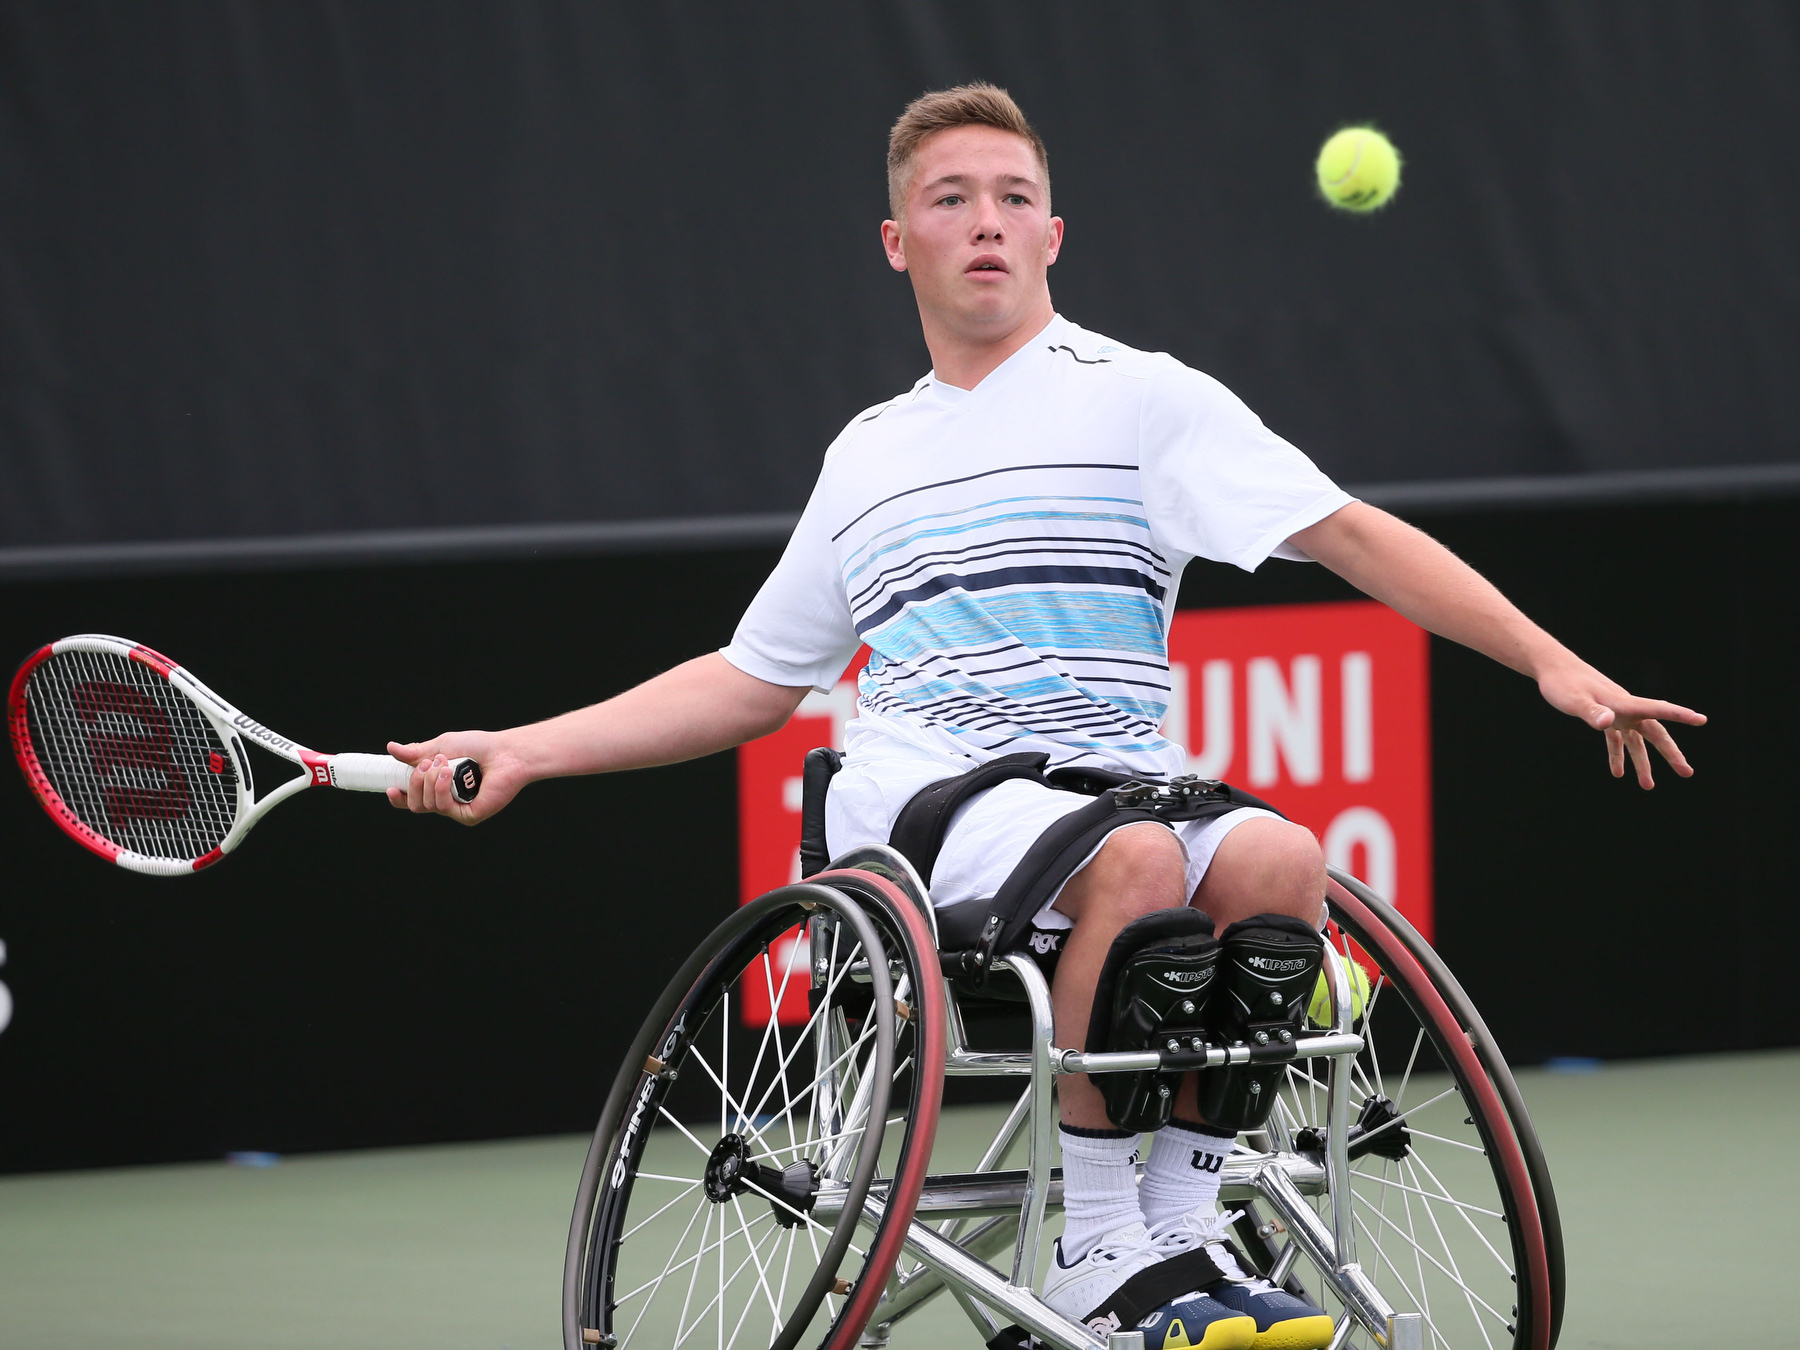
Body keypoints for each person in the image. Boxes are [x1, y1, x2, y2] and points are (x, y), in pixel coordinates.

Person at [389, 84, 1704, 1350]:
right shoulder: (866, 454)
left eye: (1015, 197)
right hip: (916, 793)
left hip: (1114, 780)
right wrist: (521, 748)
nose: (987, 221)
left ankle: (1180, 1221)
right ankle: (1095, 1248)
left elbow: (1348, 532)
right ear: (900, 242)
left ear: (1052, 234)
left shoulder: (1146, 400)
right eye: (952, 199)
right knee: (1131, 858)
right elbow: (751, 678)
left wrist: (1550, 662)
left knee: (1282, 858)